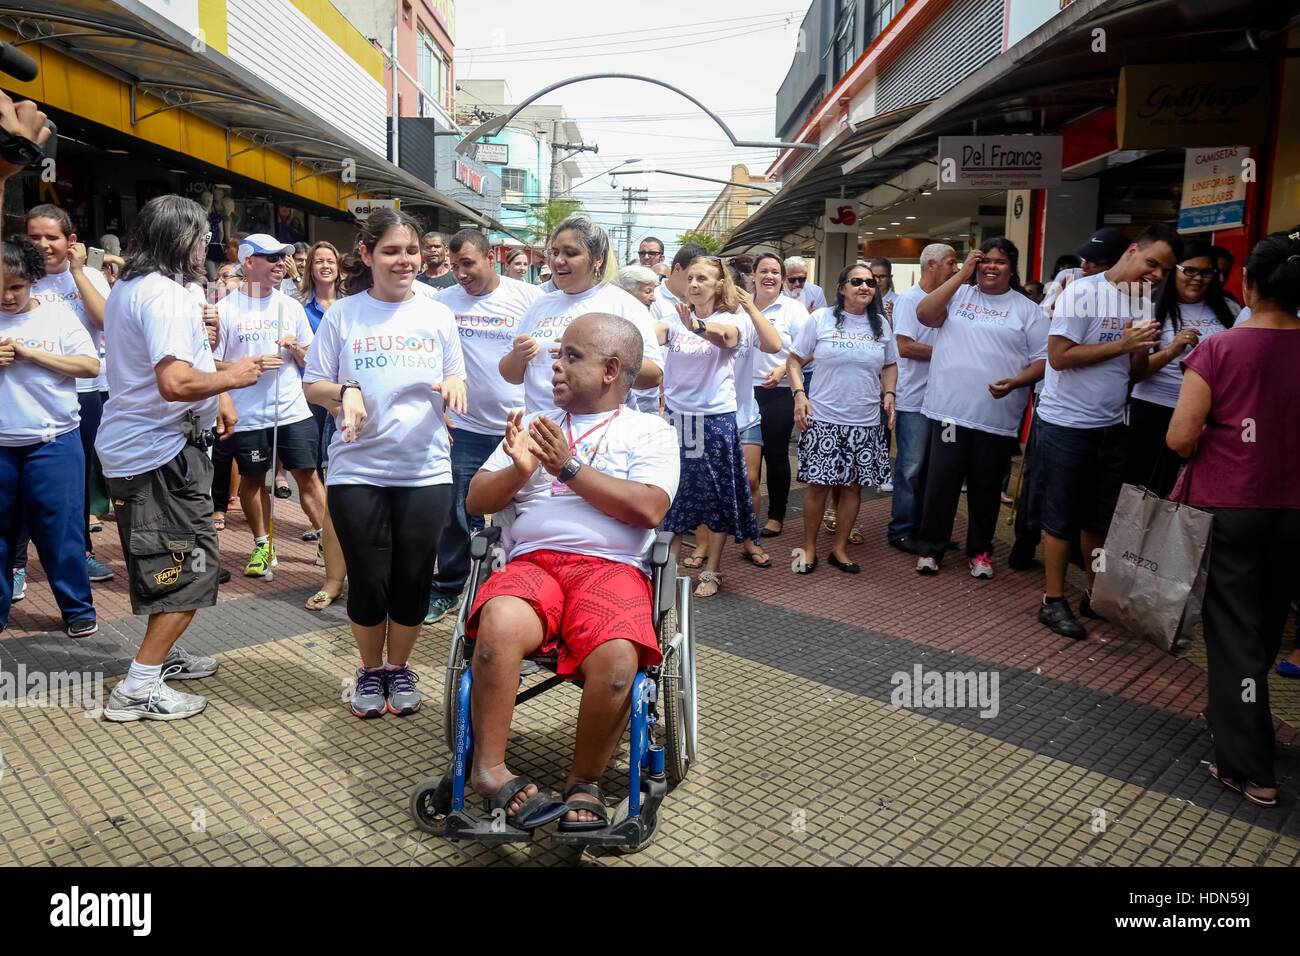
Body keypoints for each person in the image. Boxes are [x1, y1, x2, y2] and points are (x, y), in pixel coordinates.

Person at [463, 313, 679, 830]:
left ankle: (584, 781)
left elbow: (649, 509)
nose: (554, 366)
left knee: (620, 658)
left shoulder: (650, 431)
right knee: (498, 624)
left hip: (612, 568)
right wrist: (520, 471)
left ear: (610, 369)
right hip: (533, 560)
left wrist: (568, 469)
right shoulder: (534, 426)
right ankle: (489, 771)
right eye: (557, 354)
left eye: (570, 356)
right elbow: (475, 500)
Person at [96, 195, 263, 721]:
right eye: (200, 236)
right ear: (181, 238)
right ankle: (139, 685)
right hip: (158, 455)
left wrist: (221, 398)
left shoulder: (129, 287)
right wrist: (234, 376)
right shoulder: (165, 295)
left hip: (143, 447)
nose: (205, 245)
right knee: (189, 571)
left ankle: (161, 656)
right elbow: (175, 382)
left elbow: (177, 368)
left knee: (160, 566)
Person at [303, 209, 467, 718]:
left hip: (426, 470)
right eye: (392, 251)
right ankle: (370, 670)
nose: (405, 260)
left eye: (411, 251)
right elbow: (314, 384)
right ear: (368, 255)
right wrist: (346, 390)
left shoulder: (438, 314)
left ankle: (399, 667)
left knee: (414, 578)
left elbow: (454, 376)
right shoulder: (344, 315)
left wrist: (456, 387)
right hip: (358, 471)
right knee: (369, 578)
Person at [1167, 227, 1300, 808]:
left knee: (1234, 635)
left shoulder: (1220, 349)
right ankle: (1238, 707)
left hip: (1233, 505)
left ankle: (1250, 769)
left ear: (1247, 285)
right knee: (1267, 623)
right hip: (1294, 511)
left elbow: (1179, 437)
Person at [1032, 223, 1180, 638]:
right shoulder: (1081, 292)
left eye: (1164, 271)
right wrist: (1122, 344)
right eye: (1152, 264)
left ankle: (1093, 594)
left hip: (1112, 424)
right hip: (1066, 424)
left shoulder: (1144, 302)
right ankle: (1053, 600)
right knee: (1061, 516)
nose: (1155, 275)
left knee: (1100, 519)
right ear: (1132, 251)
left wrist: (1166, 353)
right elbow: (1059, 358)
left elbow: (1134, 371)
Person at [424, 229, 542, 625]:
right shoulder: (442, 303)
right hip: (466, 426)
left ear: (491, 257)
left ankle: (509, 586)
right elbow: (435, 361)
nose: (460, 273)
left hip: (520, 425)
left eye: (468, 263)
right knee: (456, 510)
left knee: (519, 512)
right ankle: (450, 586)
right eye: (454, 266)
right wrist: (441, 411)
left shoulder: (528, 298)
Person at [912, 239, 1048, 577]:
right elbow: (925, 314)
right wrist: (962, 276)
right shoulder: (957, 294)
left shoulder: (1027, 310)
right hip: (949, 411)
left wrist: (1016, 383)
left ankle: (980, 551)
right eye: (984, 260)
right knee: (940, 484)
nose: (991, 266)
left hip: (996, 418)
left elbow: (1044, 361)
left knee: (986, 488)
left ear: (1012, 268)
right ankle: (931, 549)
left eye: (999, 262)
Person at [0, 236, 100, 637]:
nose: (7, 297)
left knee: (60, 532)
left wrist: (33, 354)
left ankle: (77, 609)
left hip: (54, 441)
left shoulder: (56, 318)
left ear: (33, 281)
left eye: (16, 287)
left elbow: (89, 365)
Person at [213, 233, 327, 578]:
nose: (281, 264)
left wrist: (295, 350)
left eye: (283, 257)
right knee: (252, 480)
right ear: (249, 262)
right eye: (272, 258)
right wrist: (249, 365)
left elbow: (314, 362)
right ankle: (263, 544)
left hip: (292, 408)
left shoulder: (290, 306)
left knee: (307, 476)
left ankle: (328, 542)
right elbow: (209, 363)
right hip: (247, 414)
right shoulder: (225, 309)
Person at [658, 257, 770, 596]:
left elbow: (727, 338)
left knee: (718, 496)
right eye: (690, 277)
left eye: (702, 278)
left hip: (716, 421)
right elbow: (648, 336)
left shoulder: (730, 320)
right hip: (678, 419)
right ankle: (667, 569)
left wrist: (697, 327)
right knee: (672, 492)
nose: (694, 284)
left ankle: (712, 571)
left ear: (718, 285)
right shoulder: (671, 320)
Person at [24, 204, 114, 586]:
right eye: (34, 237)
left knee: (78, 478)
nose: (43, 245)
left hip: (85, 390)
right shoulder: (19, 276)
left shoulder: (91, 275)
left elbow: (106, 322)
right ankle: (17, 564)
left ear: (71, 241)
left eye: (52, 237)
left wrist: (78, 272)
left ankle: (81, 554)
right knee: (23, 482)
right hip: (29, 393)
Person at [788, 263, 897, 575]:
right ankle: (809, 548)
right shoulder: (821, 318)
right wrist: (799, 395)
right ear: (842, 288)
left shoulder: (880, 324)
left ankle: (839, 548)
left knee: (852, 487)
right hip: (823, 416)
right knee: (818, 486)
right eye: (857, 282)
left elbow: (890, 364)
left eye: (870, 283)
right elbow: (794, 359)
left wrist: (889, 393)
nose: (865, 287)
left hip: (864, 420)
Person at [501, 215, 661, 418]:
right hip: (541, 430)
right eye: (554, 252)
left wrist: (593, 356)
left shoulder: (622, 304)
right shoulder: (539, 305)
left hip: (601, 434)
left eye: (571, 253)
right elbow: (511, 375)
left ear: (598, 259)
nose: (558, 260)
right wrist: (518, 355)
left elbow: (654, 375)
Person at [1126, 240, 1236, 498]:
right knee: (1147, 491)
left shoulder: (1229, 309)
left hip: (1209, 414)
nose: (1198, 279)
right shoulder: (1149, 308)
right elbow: (1136, 373)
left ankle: (1183, 540)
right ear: (1173, 270)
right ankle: (1142, 540)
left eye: (1207, 272)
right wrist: (1173, 350)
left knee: (1196, 492)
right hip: (1155, 409)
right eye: (1190, 271)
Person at [887, 243, 958, 552]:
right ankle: (901, 529)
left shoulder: (953, 300)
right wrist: (952, 355)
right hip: (914, 400)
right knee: (911, 467)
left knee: (938, 469)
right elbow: (905, 347)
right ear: (932, 265)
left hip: (946, 402)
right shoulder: (908, 301)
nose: (956, 269)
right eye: (951, 263)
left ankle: (928, 529)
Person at [749, 253, 806, 540]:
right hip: (744, 394)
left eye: (774, 272)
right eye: (763, 271)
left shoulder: (793, 310)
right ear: (753, 276)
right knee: (748, 462)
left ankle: (776, 516)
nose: (769, 276)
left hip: (779, 393)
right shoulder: (740, 307)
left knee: (776, 455)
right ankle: (747, 517)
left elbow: (806, 348)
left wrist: (784, 369)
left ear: (782, 279)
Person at [1040, 229, 1127, 318]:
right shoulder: (1069, 277)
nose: (1083, 265)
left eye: (1093, 261)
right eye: (1083, 258)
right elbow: (1043, 315)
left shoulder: (1129, 287)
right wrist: (1058, 301)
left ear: (1114, 265)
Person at [868, 257, 898, 322]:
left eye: (882, 276)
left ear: (890, 278)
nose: (877, 280)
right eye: (874, 276)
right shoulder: (864, 299)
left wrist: (895, 316)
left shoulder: (898, 301)